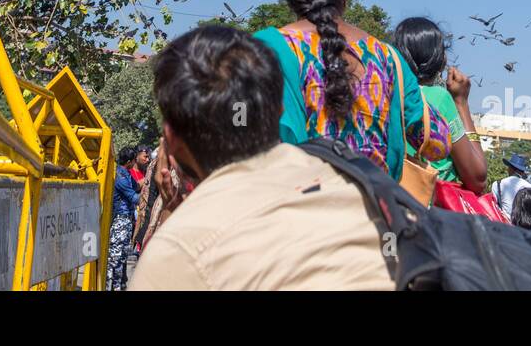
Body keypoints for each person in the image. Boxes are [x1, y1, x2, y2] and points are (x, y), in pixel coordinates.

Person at [130, 25, 394, 290]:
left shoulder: (178, 252)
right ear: (279, 110)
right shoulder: (365, 192)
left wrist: (175, 212)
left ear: (170, 137)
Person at [251, 0, 450, 182]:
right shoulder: (389, 59)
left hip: (298, 212)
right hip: (377, 214)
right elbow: (439, 144)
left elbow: (236, 127)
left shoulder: (267, 48)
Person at [392, 17, 487, 192]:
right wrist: (461, 102)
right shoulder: (439, 98)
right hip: (432, 209)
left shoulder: (388, 94)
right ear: (438, 59)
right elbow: (478, 179)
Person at [106, 146, 141, 290]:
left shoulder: (125, 173)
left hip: (126, 220)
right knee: (115, 257)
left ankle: (118, 286)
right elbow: (133, 197)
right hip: (120, 220)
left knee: (122, 256)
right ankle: (111, 286)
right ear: (129, 161)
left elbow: (137, 186)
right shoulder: (120, 176)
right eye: (134, 160)